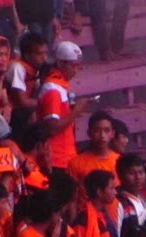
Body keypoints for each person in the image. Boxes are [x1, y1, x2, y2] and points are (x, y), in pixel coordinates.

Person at [38, 42, 85, 171]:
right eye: (73, 65)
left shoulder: (60, 86)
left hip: (65, 157)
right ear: (60, 63)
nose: (76, 70)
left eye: (78, 66)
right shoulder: (53, 89)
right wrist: (76, 111)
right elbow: (52, 128)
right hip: (56, 159)